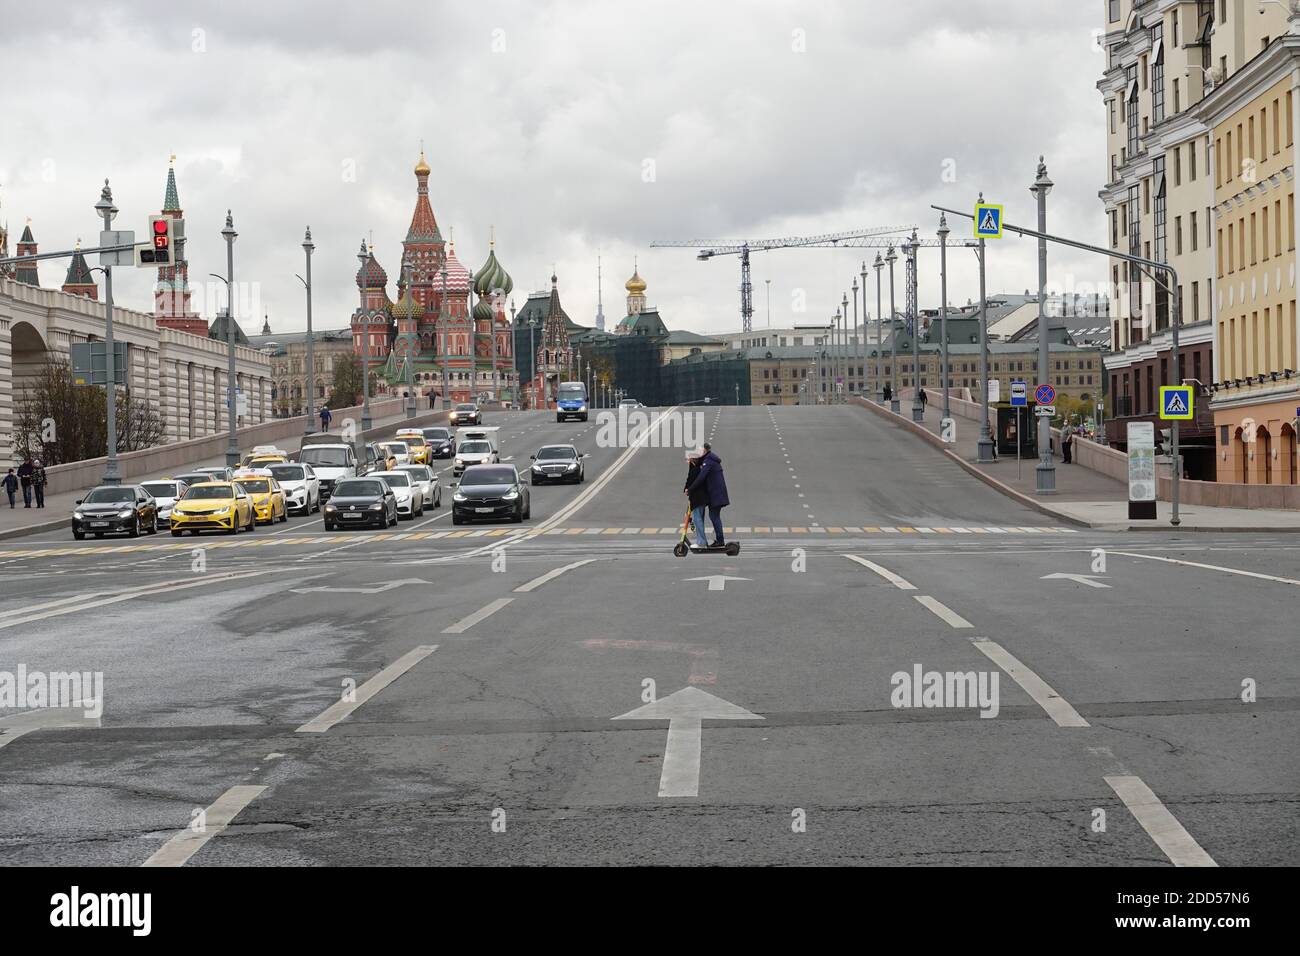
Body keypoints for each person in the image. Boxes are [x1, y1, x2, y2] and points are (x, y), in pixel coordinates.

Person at [687, 441, 730, 548]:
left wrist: (690, 489)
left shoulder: (708, 461)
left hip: (717, 494)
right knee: (714, 516)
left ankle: (720, 541)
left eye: (700, 450)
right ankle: (720, 540)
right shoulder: (708, 459)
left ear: (704, 450)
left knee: (714, 516)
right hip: (716, 493)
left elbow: (701, 477)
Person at [683, 448, 709, 550]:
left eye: (689, 459)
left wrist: (688, 490)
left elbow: (692, 482)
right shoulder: (696, 468)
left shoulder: (696, 470)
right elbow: (689, 480)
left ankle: (701, 542)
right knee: (699, 520)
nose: (687, 461)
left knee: (697, 520)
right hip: (700, 499)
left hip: (698, 499)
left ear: (693, 459)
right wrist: (686, 489)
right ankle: (702, 541)